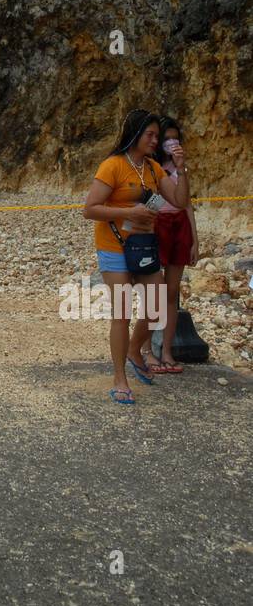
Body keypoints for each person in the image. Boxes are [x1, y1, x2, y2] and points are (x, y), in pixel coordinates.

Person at [83, 109, 190, 406]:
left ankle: (134, 350)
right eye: (150, 135)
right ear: (135, 134)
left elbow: (180, 201)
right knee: (122, 314)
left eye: (157, 136)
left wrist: (180, 169)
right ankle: (120, 379)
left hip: (144, 247)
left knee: (157, 306)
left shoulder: (155, 169)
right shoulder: (113, 166)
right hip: (114, 247)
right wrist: (128, 212)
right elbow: (90, 209)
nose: (156, 140)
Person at [141, 117, 198, 375]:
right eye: (167, 139)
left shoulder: (179, 168)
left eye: (175, 139)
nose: (171, 143)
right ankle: (145, 349)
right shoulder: (152, 168)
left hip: (179, 225)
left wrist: (194, 239)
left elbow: (186, 203)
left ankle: (167, 350)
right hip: (158, 223)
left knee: (172, 292)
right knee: (154, 290)